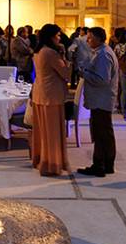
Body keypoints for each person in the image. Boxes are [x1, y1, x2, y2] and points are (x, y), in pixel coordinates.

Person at [76, 27, 118, 177]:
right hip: (101, 98)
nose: (88, 41)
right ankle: (106, 164)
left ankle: (100, 164)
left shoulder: (103, 55)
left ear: (100, 39)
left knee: (101, 132)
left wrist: (84, 73)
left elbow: (102, 79)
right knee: (104, 131)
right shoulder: (102, 52)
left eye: (90, 38)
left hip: (102, 99)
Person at [31, 24, 70, 176]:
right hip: (51, 96)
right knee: (52, 132)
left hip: (40, 93)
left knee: (43, 131)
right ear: (51, 36)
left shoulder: (38, 51)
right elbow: (66, 73)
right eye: (58, 35)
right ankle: (51, 163)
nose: (59, 38)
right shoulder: (50, 53)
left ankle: (41, 158)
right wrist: (65, 56)